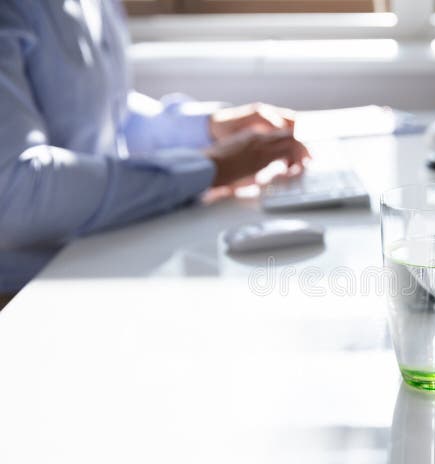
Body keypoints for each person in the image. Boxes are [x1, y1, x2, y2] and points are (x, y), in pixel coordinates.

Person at [0, 0, 310, 302]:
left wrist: (206, 129)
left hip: (94, 251)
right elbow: (16, 194)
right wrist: (209, 166)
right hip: (24, 295)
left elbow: (106, 122)